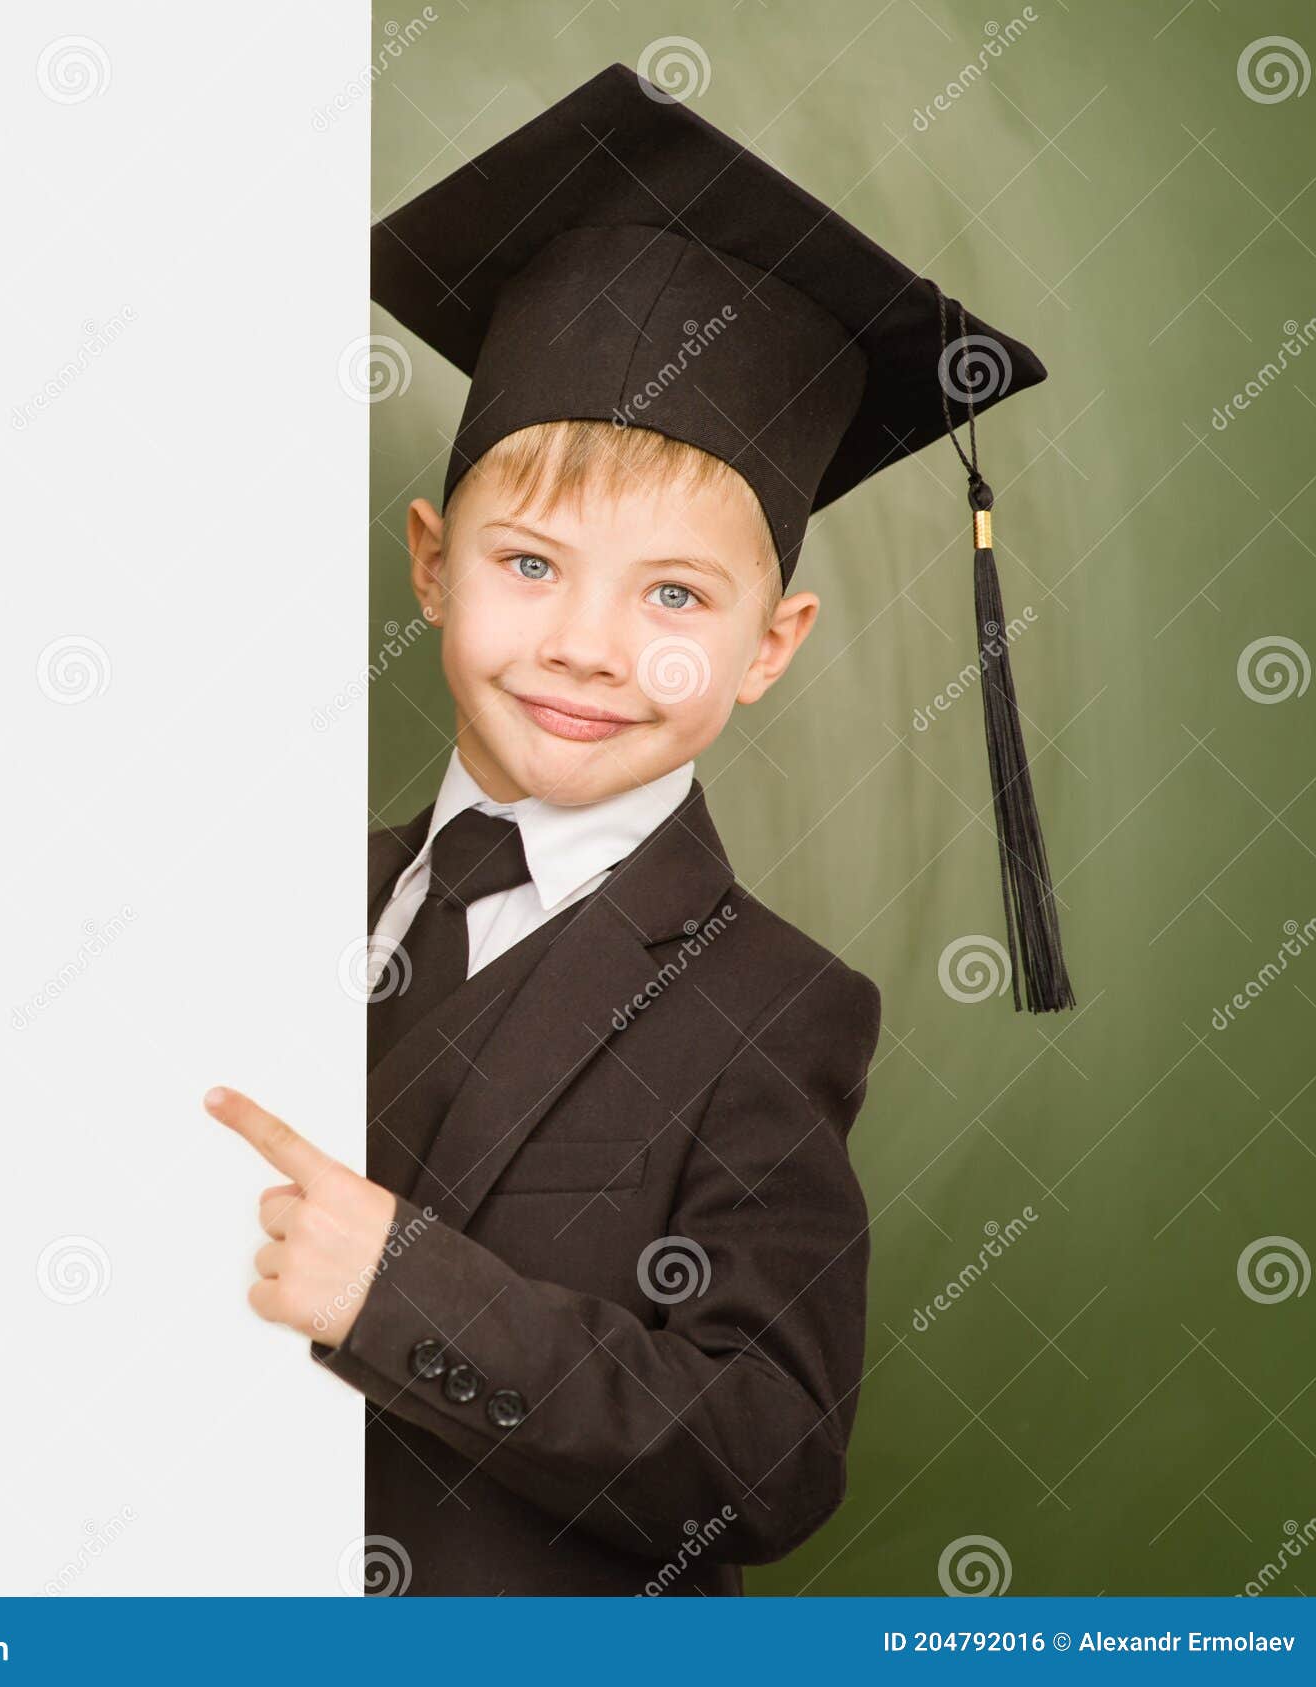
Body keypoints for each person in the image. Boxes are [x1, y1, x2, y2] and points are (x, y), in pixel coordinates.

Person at [206, 59, 1075, 1597]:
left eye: (675, 595)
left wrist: (402, 1293)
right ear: (429, 561)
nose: (591, 646)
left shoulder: (771, 1012)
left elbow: (766, 1456)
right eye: (530, 565)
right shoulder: (262, 901)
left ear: (771, 644)